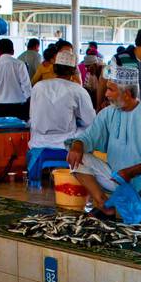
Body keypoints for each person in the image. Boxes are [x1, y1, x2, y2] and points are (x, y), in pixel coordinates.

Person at [65, 64, 141, 218]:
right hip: (115, 178)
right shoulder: (107, 113)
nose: (106, 94)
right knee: (76, 157)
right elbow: (87, 137)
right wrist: (77, 145)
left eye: (111, 89)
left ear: (127, 93)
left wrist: (131, 172)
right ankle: (104, 205)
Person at [29, 49, 95, 182]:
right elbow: (91, 121)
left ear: (54, 68)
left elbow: (33, 115)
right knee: (89, 131)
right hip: (66, 143)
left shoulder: (38, 87)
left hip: (38, 141)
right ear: (73, 71)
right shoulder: (78, 90)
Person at [0, 39, 32, 120]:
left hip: (1, 109)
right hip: (19, 108)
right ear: (13, 51)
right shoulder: (20, 65)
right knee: (19, 132)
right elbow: (27, 88)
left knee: (3, 132)